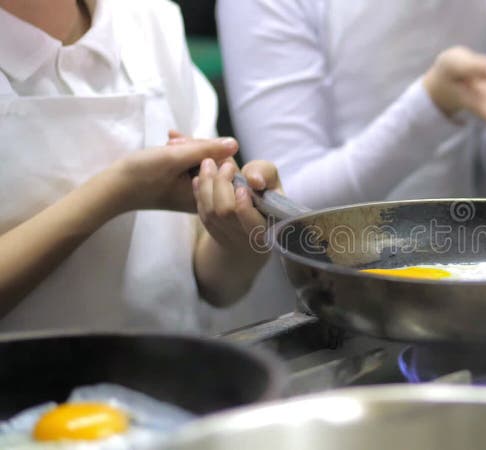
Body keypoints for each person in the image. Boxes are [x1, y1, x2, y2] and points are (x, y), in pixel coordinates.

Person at [0, 0, 279, 333]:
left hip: (172, 373)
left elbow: (213, 285)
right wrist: (117, 192)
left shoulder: (148, 19)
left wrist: (239, 236)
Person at [217, 0, 486, 209]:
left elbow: (459, 167)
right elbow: (286, 199)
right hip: (325, 295)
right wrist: (432, 106)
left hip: (463, 267)